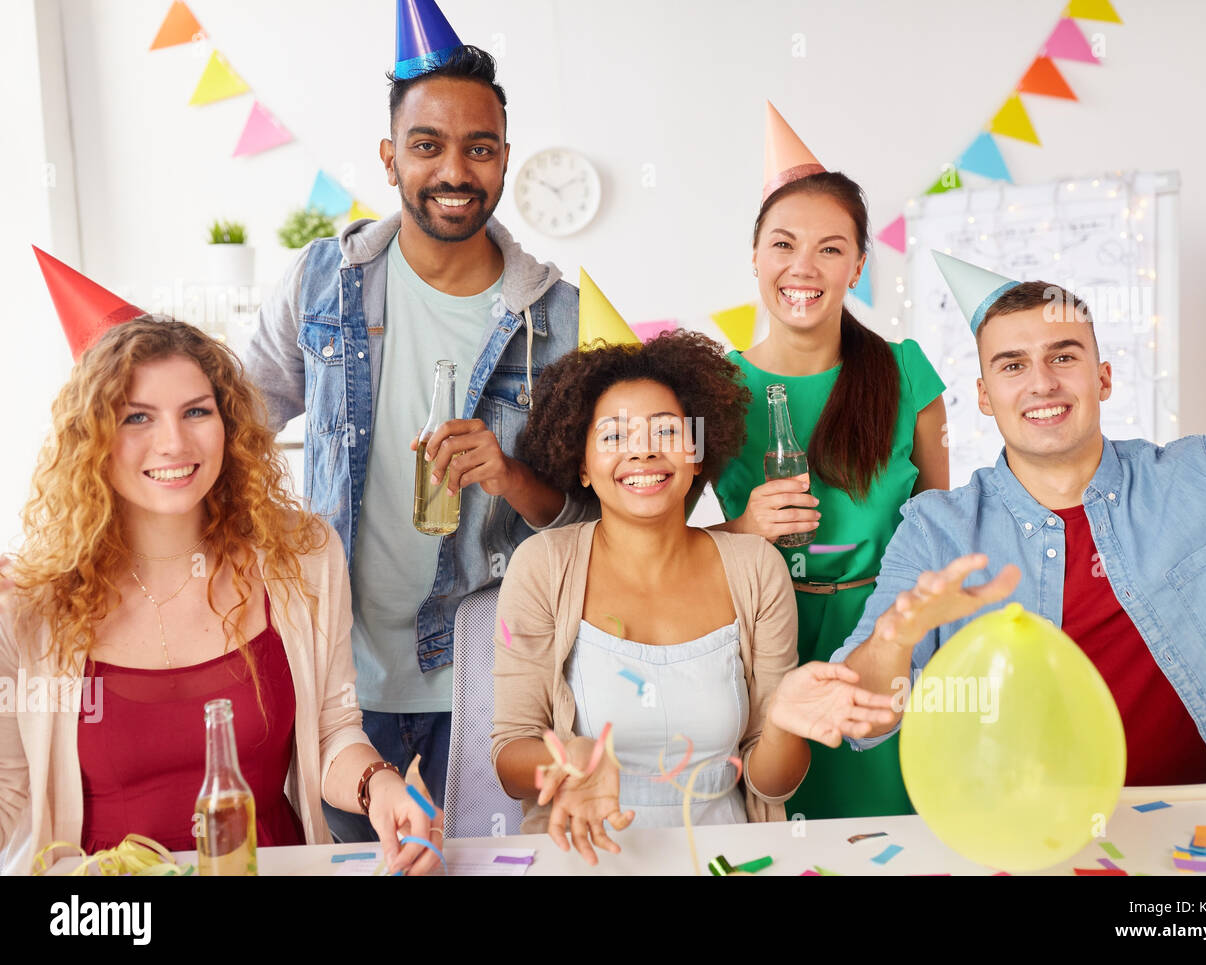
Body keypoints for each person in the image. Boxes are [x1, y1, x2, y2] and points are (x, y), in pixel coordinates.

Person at [243, 39, 584, 840]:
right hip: (339, 688)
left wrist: (509, 478)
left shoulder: (559, 319)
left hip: (492, 689)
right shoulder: (321, 282)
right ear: (391, 159)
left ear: (505, 159)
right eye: (428, 146)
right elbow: (230, 426)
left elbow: (588, 522)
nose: (455, 170)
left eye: (480, 147)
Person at [832, 253, 1206, 786]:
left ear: (1102, 377)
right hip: (1022, 840)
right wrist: (895, 639)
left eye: (1063, 357)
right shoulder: (935, 531)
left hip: (1199, 834)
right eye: (1012, 365)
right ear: (985, 396)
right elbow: (862, 719)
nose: (1042, 384)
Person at [0, 316, 440, 876]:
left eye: (196, 411)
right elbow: (10, 789)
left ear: (228, 423)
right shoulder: (30, 602)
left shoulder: (300, 557)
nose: (173, 443)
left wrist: (378, 785)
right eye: (138, 416)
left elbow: (333, 728)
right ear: (94, 436)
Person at [491, 330, 896, 865]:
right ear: (582, 464)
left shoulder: (756, 568)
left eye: (666, 430)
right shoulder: (543, 566)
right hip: (584, 857)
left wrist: (781, 726)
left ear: (699, 454)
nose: (642, 449)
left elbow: (771, 785)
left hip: (726, 857)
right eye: (614, 435)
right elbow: (508, 756)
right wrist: (573, 761)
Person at [713, 106, 948, 819]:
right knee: (780, 836)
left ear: (858, 265)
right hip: (766, 656)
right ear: (754, 256)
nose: (803, 268)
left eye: (830, 248)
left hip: (887, 648)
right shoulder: (715, 391)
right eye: (783, 244)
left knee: (900, 843)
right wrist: (747, 527)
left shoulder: (906, 375)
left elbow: (942, 529)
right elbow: (659, 549)